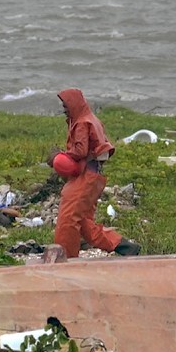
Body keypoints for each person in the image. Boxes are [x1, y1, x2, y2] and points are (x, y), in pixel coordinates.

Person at [49, 88, 141, 258]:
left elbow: (80, 151)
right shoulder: (92, 119)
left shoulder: (82, 122)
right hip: (95, 176)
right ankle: (124, 246)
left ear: (74, 104)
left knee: (67, 218)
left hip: (85, 177)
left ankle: (65, 258)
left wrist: (59, 156)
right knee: (83, 222)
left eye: (66, 105)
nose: (64, 109)